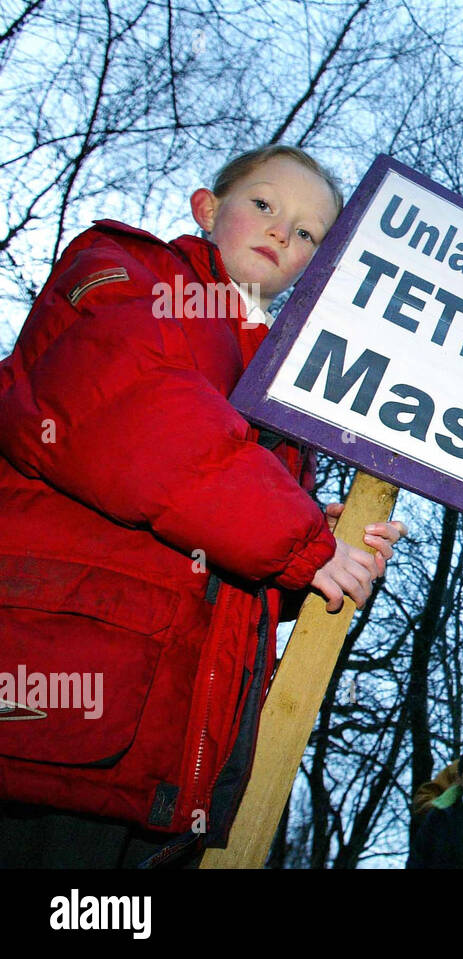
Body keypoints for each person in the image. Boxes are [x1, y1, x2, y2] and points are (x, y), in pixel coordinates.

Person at [0, 145, 406, 867]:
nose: (284, 232)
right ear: (206, 209)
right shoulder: (127, 272)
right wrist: (303, 541)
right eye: (264, 205)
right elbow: (138, 415)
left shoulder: (277, 399)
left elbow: (221, 575)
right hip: (50, 717)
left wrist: (314, 535)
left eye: (310, 234)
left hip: (163, 758)